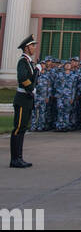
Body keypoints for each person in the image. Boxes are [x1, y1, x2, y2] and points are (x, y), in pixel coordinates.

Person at [10, 35, 40, 167]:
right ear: (27, 48)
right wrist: (31, 88)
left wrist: (36, 72)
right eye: (33, 46)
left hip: (27, 99)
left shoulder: (28, 62)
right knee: (18, 128)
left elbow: (31, 78)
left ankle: (19, 158)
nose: (34, 48)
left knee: (22, 129)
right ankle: (15, 159)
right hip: (22, 99)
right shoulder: (23, 61)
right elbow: (23, 77)